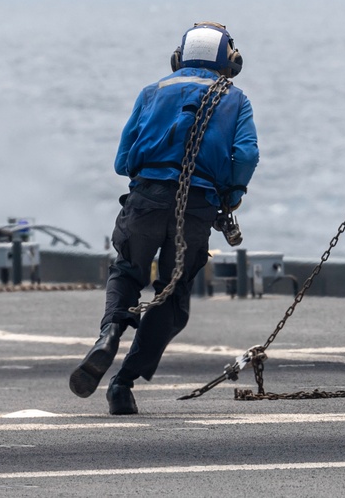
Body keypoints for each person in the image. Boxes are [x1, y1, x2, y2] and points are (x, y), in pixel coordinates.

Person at [69, 22, 259, 415]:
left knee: (126, 272)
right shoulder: (236, 99)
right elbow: (247, 155)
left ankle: (108, 335)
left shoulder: (152, 92)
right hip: (197, 206)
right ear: (231, 62)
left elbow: (123, 160)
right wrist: (232, 194)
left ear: (178, 58)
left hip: (146, 199)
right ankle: (122, 385)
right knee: (171, 299)